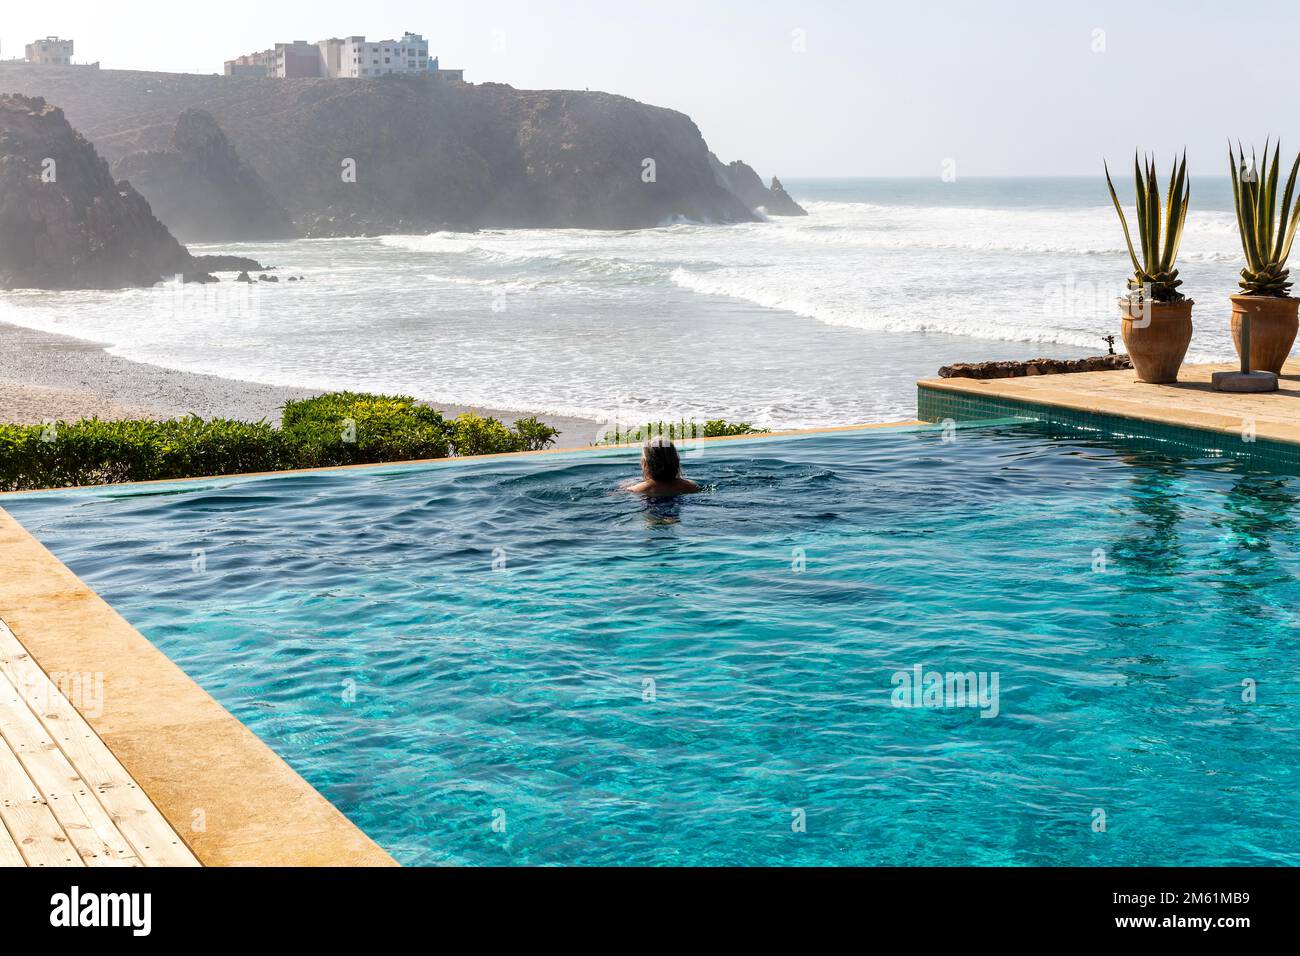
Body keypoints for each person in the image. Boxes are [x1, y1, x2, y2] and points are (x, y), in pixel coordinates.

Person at [625, 436, 700, 497]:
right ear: (676, 461)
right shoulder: (692, 486)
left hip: (652, 510)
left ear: (645, 464)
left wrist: (624, 488)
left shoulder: (636, 490)